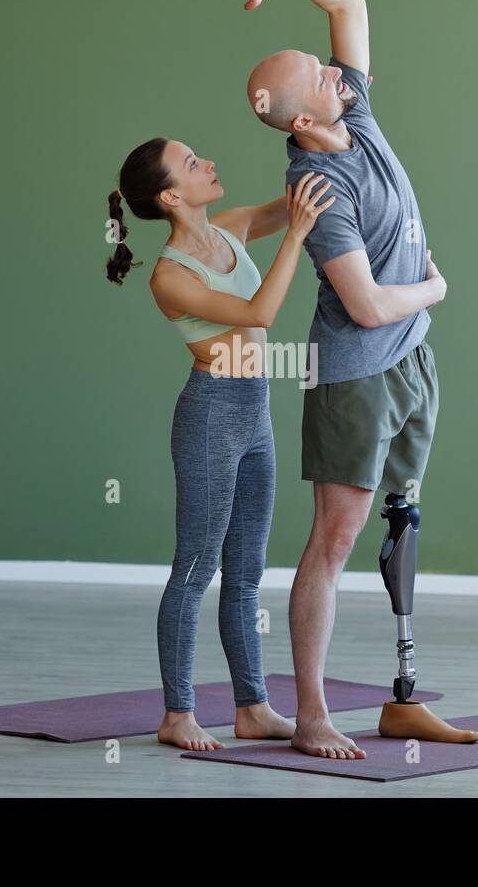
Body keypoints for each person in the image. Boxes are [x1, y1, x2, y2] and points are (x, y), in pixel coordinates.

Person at [244, 0, 448, 759]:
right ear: (300, 121)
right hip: (354, 373)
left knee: (396, 519)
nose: (337, 73)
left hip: (409, 363)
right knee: (334, 538)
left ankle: (400, 695)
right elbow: (363, 306)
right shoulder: (318, 187)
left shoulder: (353, 112)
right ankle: (313, 716)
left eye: (328, 66)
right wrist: (435, 289)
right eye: (320, 77)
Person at [106, 137, 334, 750]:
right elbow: (257, 312)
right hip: (211, 417)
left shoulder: (229, 230)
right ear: (171, 196)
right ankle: (177, 714)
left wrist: (325, 145)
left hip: (255, 411)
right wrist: (295, 237)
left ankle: (252, 707)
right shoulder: (171, 276)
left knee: (246, 572)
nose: (207, 162)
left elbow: (284, 207)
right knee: (195, 568)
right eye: (191, 163)